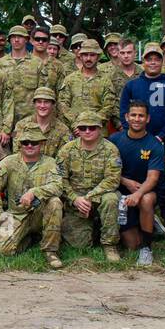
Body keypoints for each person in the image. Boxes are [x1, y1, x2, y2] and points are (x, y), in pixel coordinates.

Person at [0, 124, 64, 269]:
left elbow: (58, 186)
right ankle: (27, 239)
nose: (29, 145)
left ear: (41, 143)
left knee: (55, 202)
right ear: (20, 144)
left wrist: (34, 192)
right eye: (25, 142)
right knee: (0, 250)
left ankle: (50, 251)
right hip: (16, 214)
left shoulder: (50, 163)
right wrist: (0, 216)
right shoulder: (9, 162)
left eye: (34, 142)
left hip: (41, 213)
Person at [55, 111, 123, 261]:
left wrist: (88, 197)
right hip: (76, 203)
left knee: (111, 199)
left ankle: (109, 245)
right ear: (77, 129)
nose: (87, 131)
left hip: (99, 199)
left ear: (99, 129)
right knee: (78, 246)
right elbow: (60, 179)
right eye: (83, 127)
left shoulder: (110, 150)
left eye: (92, 128)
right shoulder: (67, 150)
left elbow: (112, 180)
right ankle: (94, 229)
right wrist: (74, 199)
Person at [109, 100, 164, 267]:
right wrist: (125, 181)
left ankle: (147, 248)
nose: (137, 119)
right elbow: (106, 170)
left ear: (147, 119)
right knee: (132, 245)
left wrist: (138, 194)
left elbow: (153, 178)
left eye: (141, 116)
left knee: (146, 200)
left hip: (145, 191)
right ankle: (149, 225)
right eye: (133, 115)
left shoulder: (154, 144)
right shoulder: (114, 140)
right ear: (126, 117)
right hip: (121, 194)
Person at [119, 42, 165, 146]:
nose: (153, 63)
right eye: (149, 59)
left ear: (162, 61)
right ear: (143, 61)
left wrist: (162, 136)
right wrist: (132, 134)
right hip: (137, 140)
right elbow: (123, 112)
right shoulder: (131, 85)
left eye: (157, 59)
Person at [3, 25, 54, 131]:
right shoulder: (1, 63)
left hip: (30, 119)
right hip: (5, 119)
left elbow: (43, 93)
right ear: (9, 40)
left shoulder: (37, 63)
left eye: (20, 37)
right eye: (13, 37)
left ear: (26, 39)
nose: (16, 40)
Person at [58, 39, 115, 132]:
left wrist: (92, 125)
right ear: (80, 56)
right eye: (85, 55)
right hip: (74, 131)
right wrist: (76, 125)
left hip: (98, 131)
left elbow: (109, 107)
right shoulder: (70, 79)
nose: (88, 58)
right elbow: (63, 105)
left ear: (98, 57)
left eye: (92, 55)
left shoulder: (105, 81)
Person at [12, 86, 72, 157]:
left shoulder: (63, 130)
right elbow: (16, 153)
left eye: (46, 102)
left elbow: (63, 157)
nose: (42, 106)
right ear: (34, 104)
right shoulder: (21, 125)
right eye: (39, 102)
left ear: (53, 105)